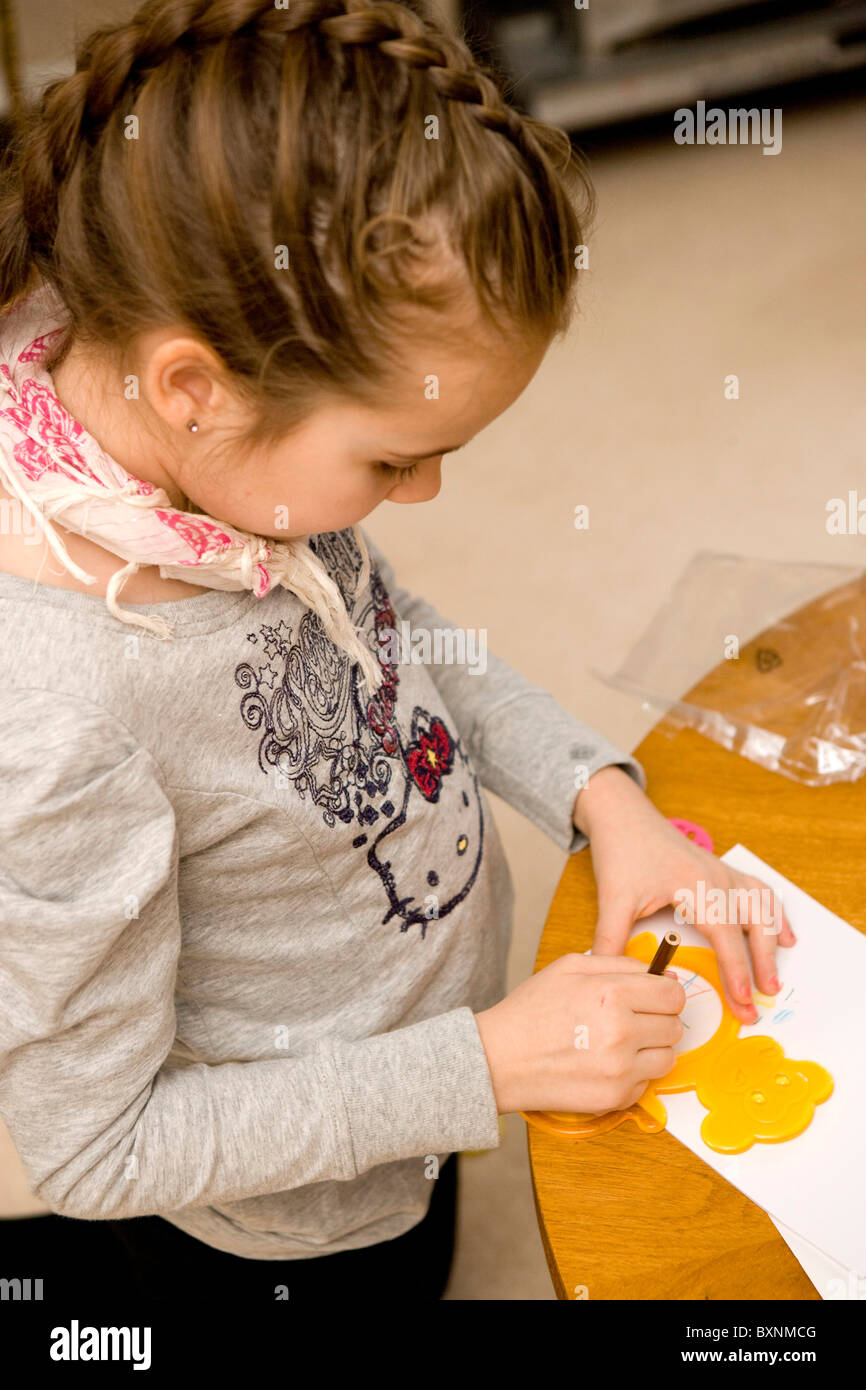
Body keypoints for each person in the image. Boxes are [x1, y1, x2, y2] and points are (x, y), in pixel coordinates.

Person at [0, 0, 792, 1305]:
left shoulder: (221, 482)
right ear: (195, 386)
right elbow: (98, 1142)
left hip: (423, 1079)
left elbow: (394, 641)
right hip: (275, 1231)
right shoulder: (60, 711)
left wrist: (603, 799)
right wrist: (481, 1066)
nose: (415, 500)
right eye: (391, 458)